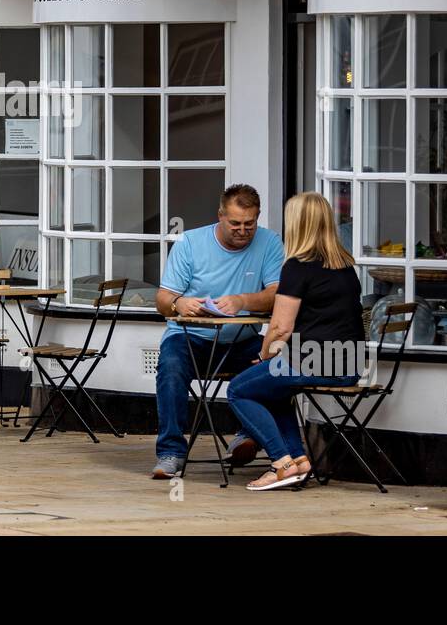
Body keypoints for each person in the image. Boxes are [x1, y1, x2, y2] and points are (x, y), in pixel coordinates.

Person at [225, 191, 365, 491]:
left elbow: (280, 329)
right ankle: (299, 461)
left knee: (238, 390)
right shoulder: (345, 267)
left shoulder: (298, 267)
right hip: (350, 363)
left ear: (297, 225)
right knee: (272, 389)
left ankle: (281, 463)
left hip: (313, 360)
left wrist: (264, 357)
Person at [150, 184, 284, 480]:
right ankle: (171, 451)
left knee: (278, 363)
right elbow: (162, 299)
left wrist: (242, 301)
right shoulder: (190, 242)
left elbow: (279, 294)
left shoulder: (270, 242)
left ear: (258, 217)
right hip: (190, 339)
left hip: (242, 341)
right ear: (220, 216)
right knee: (170, 367)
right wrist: (179, 303)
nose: (242, 230)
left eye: (249, 224)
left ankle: (249, 435)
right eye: (235, 223)